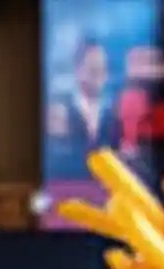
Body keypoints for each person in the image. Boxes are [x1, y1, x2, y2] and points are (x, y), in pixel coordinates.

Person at [46, 36, 120, 180]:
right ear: (78, 70)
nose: (100, 75)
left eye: (103, 68)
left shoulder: (115, 113)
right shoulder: (59, 111)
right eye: (94, 68)